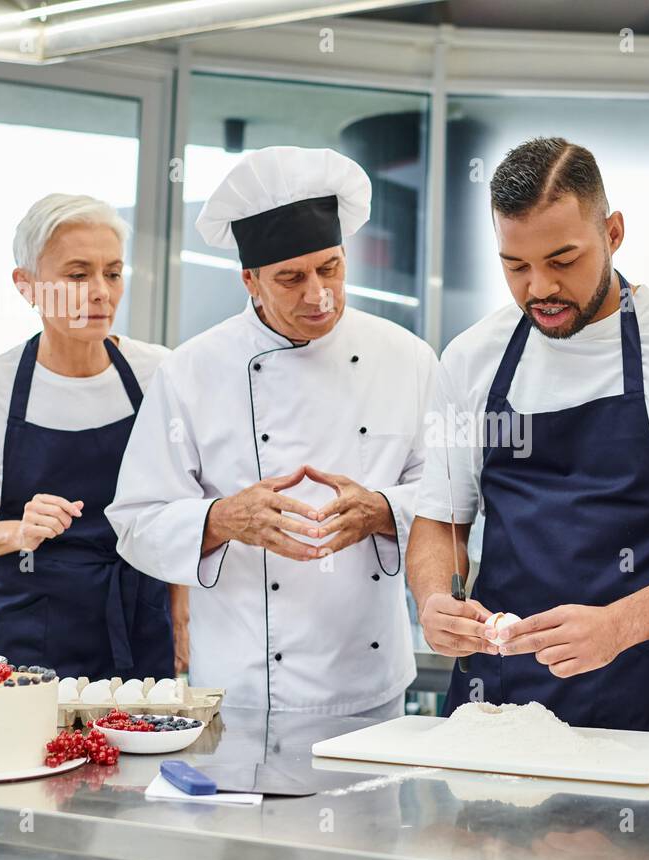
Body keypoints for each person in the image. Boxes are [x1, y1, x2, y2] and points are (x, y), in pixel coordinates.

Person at [407, 137, 649, 734]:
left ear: (614, 232)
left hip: (641, 704)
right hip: (494, 703)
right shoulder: (471, 358)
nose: (539, 289)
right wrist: (433, 600)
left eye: (562, 260)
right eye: (516, 266)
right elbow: (440, 520)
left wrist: (617, 626)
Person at [107, 147, 438, 718]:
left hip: (371, 684)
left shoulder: (407, 358)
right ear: (251, 280)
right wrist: (221, 519)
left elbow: (451, 496)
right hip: (243, 687)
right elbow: (136, 521)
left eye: (330, 267)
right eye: (290, 278)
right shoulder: (191, 370)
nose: (318, 294)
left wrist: (382, 510)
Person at [0, 193, 180, 679]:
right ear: (26, 285)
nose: (101, 292)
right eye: (76, 274)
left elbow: (177, 508)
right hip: (27, 632)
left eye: (112, 272)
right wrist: (17, 532)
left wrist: (182, 618)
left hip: (139, 624)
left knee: (138, 756)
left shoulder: (159, 374)